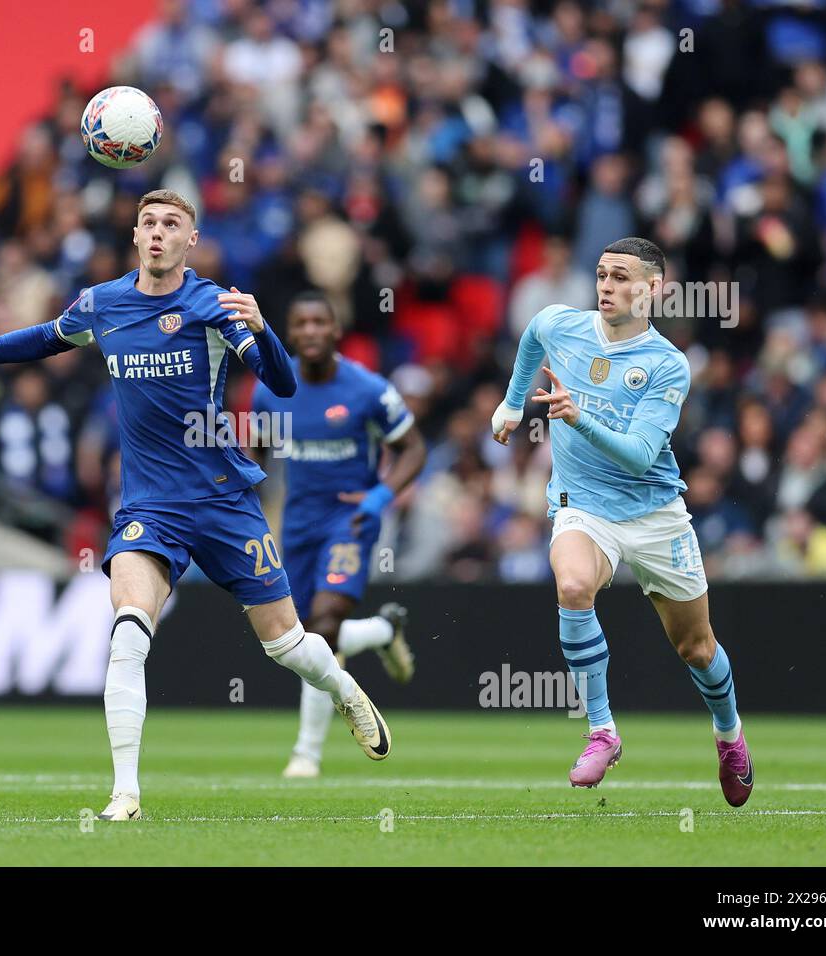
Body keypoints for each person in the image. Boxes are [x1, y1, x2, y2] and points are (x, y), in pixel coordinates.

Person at [0, 189, 392, 822]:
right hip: (150, 507)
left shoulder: (214, 305)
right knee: (128, 636)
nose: (158, 232)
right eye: (149, 222)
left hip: (224, 500)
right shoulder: (103, 304)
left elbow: (282, 384)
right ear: (136, 236)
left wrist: (262, 328)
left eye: (172, 223)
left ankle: (345, 689)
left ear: (190, 240)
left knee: (284, 644)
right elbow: (39, 341)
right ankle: (126, 794)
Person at [490, 236, 754, 807]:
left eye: (620, 277)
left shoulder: (667, 364)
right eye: (602, 275)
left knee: (696, 648)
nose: (606, 287)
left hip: (654, 514)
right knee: (573, 585)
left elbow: (637, 455)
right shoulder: (562, 324)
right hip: (582, 505)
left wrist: (577, 418)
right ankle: (602, 731)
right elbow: (533, 334)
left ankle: (729, 735)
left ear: (652, 288)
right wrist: (513, 403)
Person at [249, 290, 426, 778]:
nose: (309, 331)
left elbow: (413, 448)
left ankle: (306, 754)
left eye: (318, 322)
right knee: (300, 636)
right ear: (288, 332)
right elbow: (256, 455)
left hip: (350, 521)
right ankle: (384, 631)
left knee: (323, 626)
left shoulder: (368, 389)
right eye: (300, 323)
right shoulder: (269, 390)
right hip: (298, 524)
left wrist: (380, 496)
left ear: (335, 330)